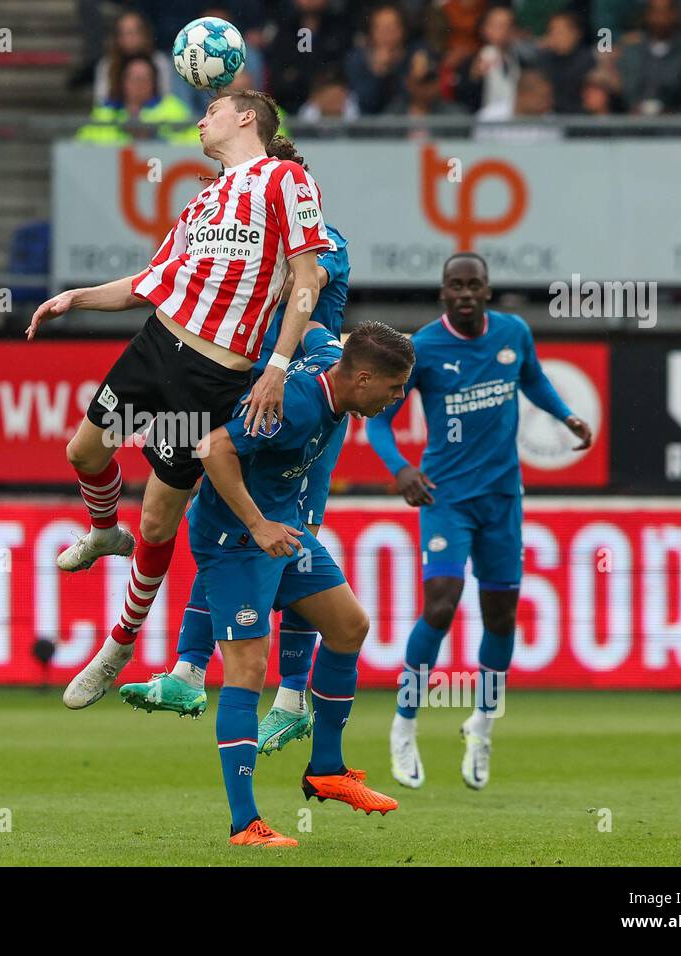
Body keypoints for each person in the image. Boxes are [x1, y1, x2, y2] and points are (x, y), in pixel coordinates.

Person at [29, 91, 330, 712]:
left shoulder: (285, 180)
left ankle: (119, 644)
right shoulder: (203, 200)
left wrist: (275, 367)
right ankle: (104, 532)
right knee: (83, 451)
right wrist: (74, 298)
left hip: (210, 376)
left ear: (247, 118)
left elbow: (309, 277)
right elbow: (149, 282)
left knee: (161, 520)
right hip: (157, 344)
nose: (201, 119)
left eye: (213, 110)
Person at [134, 320, 414, 846]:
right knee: (247, 669)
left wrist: (284, 353)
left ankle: (326, 770)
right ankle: (246, 824)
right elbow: (214, 447)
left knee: (350, 626)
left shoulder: (332, 359)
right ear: (363, 379)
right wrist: (257, 523)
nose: (397, 399)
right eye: (394, 388)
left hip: (284, 535)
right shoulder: (298, 406)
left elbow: (311, 326)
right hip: (238, 542)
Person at [120, 169, 350, 757]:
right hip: (249, 397)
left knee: (297, 538)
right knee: (220, 527)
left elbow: (310, 280)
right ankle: (189, 673)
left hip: (301, 396)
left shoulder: (320, 241)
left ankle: (293, 699)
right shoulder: (231, 233)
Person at [367, 253, 593, 792]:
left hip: (502, 499)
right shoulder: (422, 348)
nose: (465, 293)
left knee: (500, 617)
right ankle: (404, 724)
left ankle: (483, 724)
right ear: (443, 293)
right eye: (455, 285)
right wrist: (400, 469)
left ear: (488, 290)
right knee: (441, 604)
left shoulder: (513, 332)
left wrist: (565, 415)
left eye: (474, 284)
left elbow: (533, 380)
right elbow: (380, 421)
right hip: (446, 498)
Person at [76, 54, 200, 144]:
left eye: (145, 78)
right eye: (134, 79)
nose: (139, 84)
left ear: (154, 83)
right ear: (123, 82)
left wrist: (158, 139)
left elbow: (195, 140)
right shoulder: (104, 112)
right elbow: (80, 146)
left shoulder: (172, 107)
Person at [617, 0, 681, 115]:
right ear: (647, 15)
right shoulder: (632, 50)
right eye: (655, 12)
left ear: (675, 15)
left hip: (676, 123)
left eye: (665, 12)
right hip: (632, 123)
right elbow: (624, 88)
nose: (660, 19)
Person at [91, 9, 176, 106]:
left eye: (134, 32)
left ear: (144, 34)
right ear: (117, 37)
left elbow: (166, 99)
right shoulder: (106, 65)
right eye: (124, 33)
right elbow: (101, 102)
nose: (130, 38)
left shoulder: (160, 62)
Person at [535, 11, 597, 114]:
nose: (556, 36)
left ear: (576, 33)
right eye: (552, 31)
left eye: (561, 32)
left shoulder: (588, 60)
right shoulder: (542, 60)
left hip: (581, 118)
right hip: (549, 117)